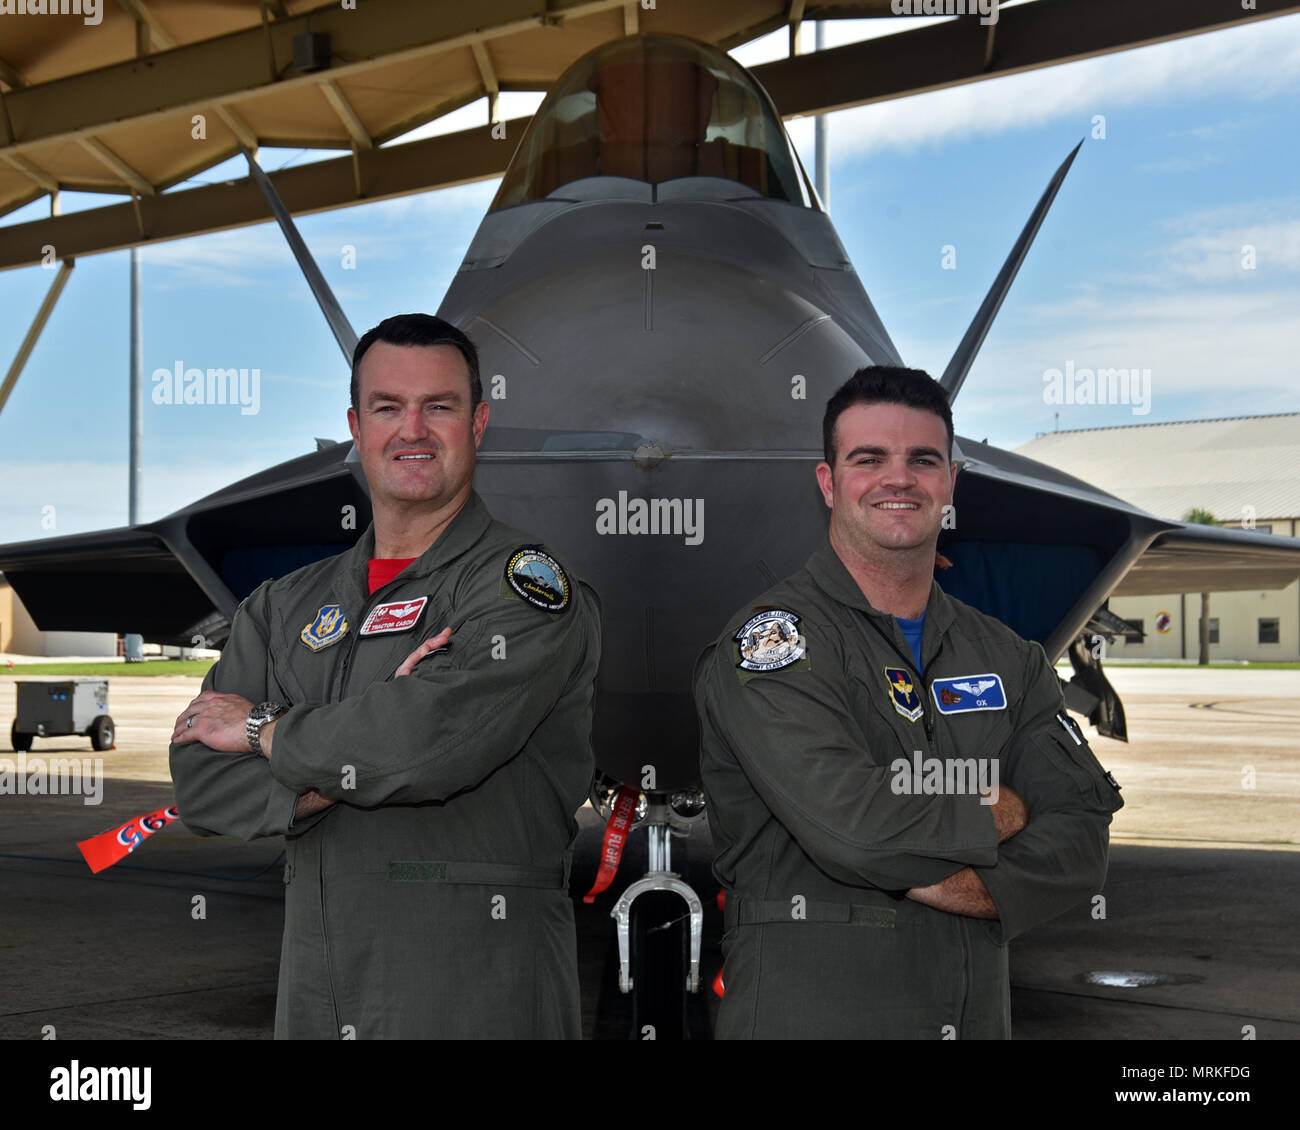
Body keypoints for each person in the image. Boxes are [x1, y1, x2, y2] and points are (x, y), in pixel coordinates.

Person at [170, 313, 601, 1039]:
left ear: (479, 422)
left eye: (439, 406)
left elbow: (429, 750)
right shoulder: (285, 605)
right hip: (317, 996)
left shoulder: (522, 591)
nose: (413, 430)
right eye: (387, 408)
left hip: (479, 999)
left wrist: (261, 729)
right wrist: (364, 741)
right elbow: (201, 782)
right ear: (355, 425)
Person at [693, 365, 1123, 1039]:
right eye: (869, 460)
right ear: (829, 483)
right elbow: (853, 830)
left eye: (923, 460)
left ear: (950, 483)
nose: (899, 479)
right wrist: (1002, 809)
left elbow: (1080, 836)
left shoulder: (1007, 656)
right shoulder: (773, 647)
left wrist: (966, 886)